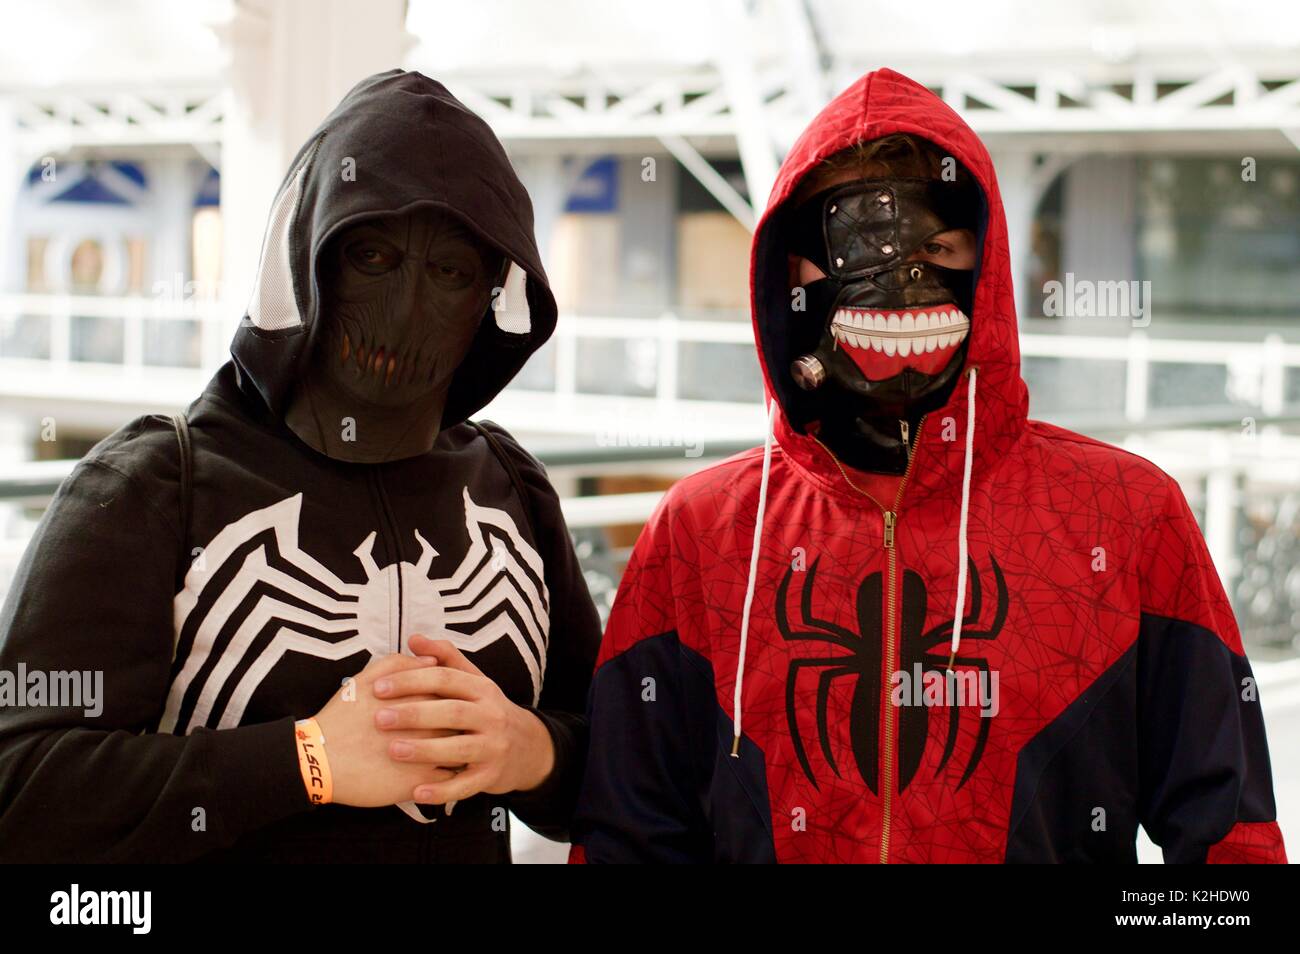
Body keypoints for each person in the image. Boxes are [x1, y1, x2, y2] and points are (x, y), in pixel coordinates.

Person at [569, 67, 1288, 864]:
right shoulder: (701, 531)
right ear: (788, 275)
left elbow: (1231, 848)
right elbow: (626, 837)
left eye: (936, 246)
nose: (900, 283)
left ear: (986, 270)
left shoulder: (1126, 513)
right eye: (852, 248)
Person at [0, 69, 601, 863]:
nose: (404, 313)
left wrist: (532, 751)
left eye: (451, 273)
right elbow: (21, 788)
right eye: (373, 256)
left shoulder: (510, 489)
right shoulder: (151, 487)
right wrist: (306, 760)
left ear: (493, 294)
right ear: (306, 256)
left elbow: (629, 765)